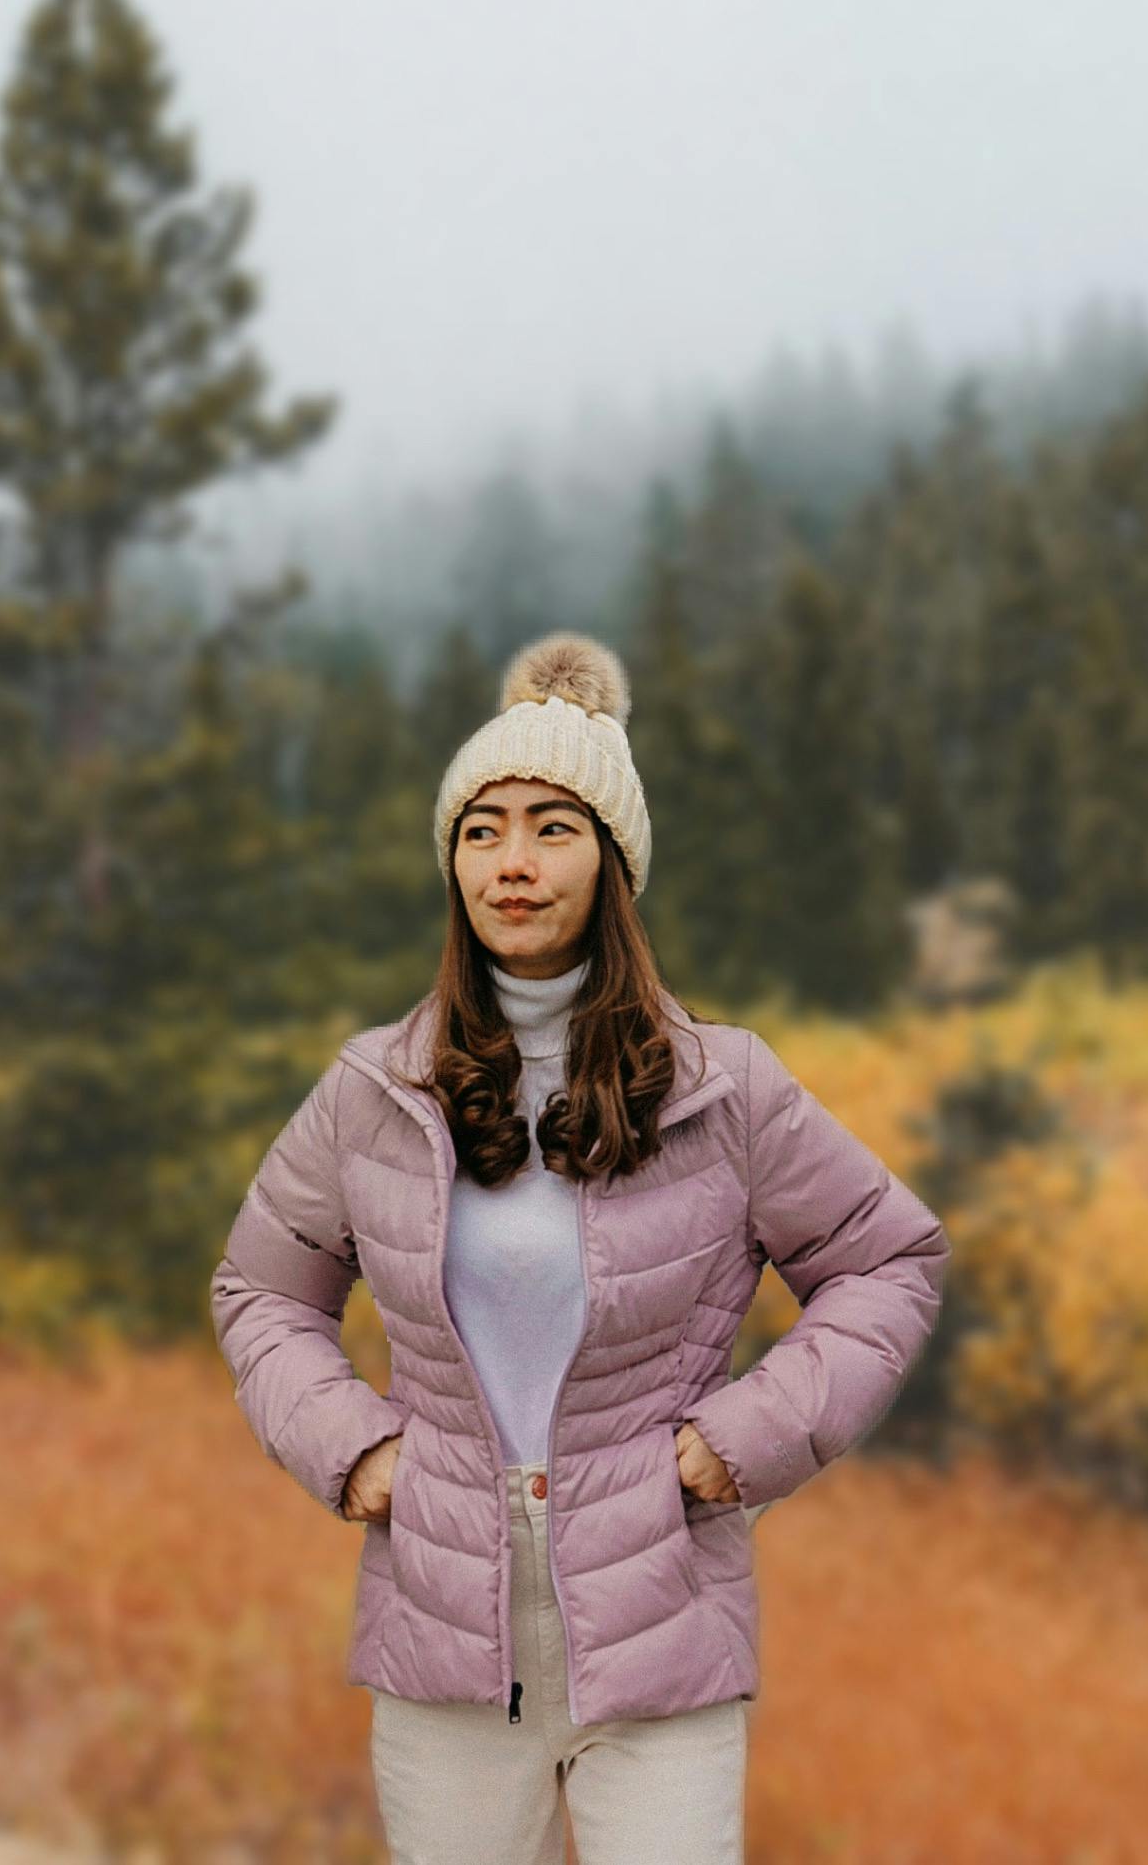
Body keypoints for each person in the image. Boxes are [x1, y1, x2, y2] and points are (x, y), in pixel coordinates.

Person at [210, 630, 951, 1863]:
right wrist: (357, 1453)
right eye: (482, 828)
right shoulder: (371, 1091)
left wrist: (739, 1444)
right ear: (451, 863)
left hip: (664, 1637)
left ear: (614, 862)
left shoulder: (728, 1089)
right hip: (442, 1643)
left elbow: (889, 1261)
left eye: (554, 827)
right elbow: (258, 1289)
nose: (514, 862)